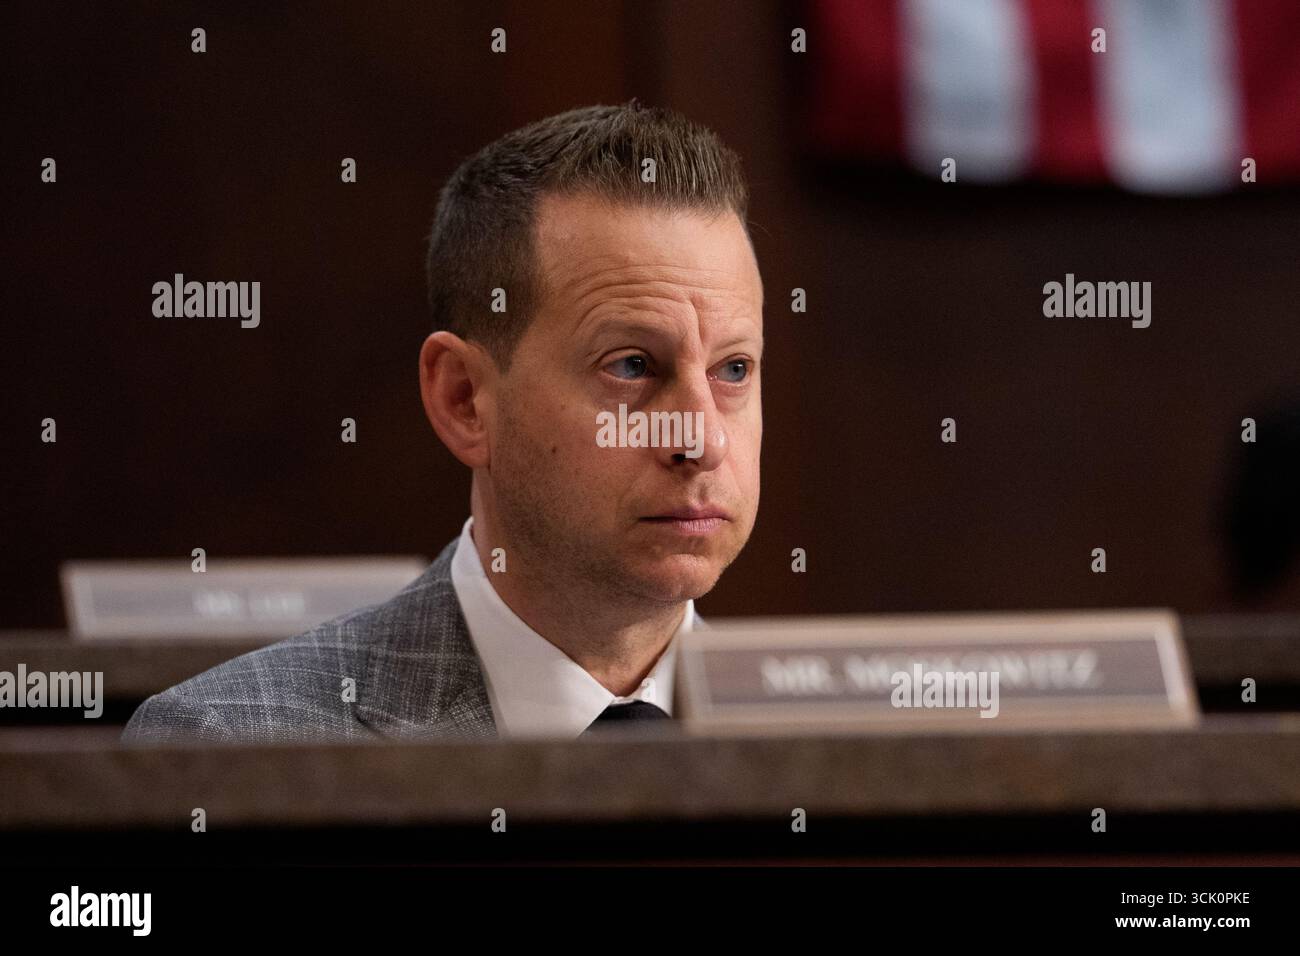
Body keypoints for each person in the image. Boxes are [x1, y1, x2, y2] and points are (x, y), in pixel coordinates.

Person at [122, 100, 764, 744]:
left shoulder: (835, 738)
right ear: (464, 400)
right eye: (631, 365)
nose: (701, 440)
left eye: (732, 370)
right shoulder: (229, 746)